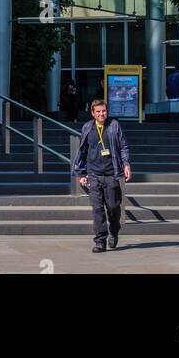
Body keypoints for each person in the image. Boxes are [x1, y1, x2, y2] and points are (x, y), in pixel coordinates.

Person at [73, 98, 132, 252]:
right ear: (92, 113)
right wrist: (80, 173)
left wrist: (126, 164)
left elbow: (123, 146)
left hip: (111, 173)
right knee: (97, 209)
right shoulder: (87, 128)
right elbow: (82, 151)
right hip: (93, 174)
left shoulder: (114, 126)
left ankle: (114, 230)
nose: (101, 114)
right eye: (98, 111)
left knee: (113, 207)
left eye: (103, 111)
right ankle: (100, 241)